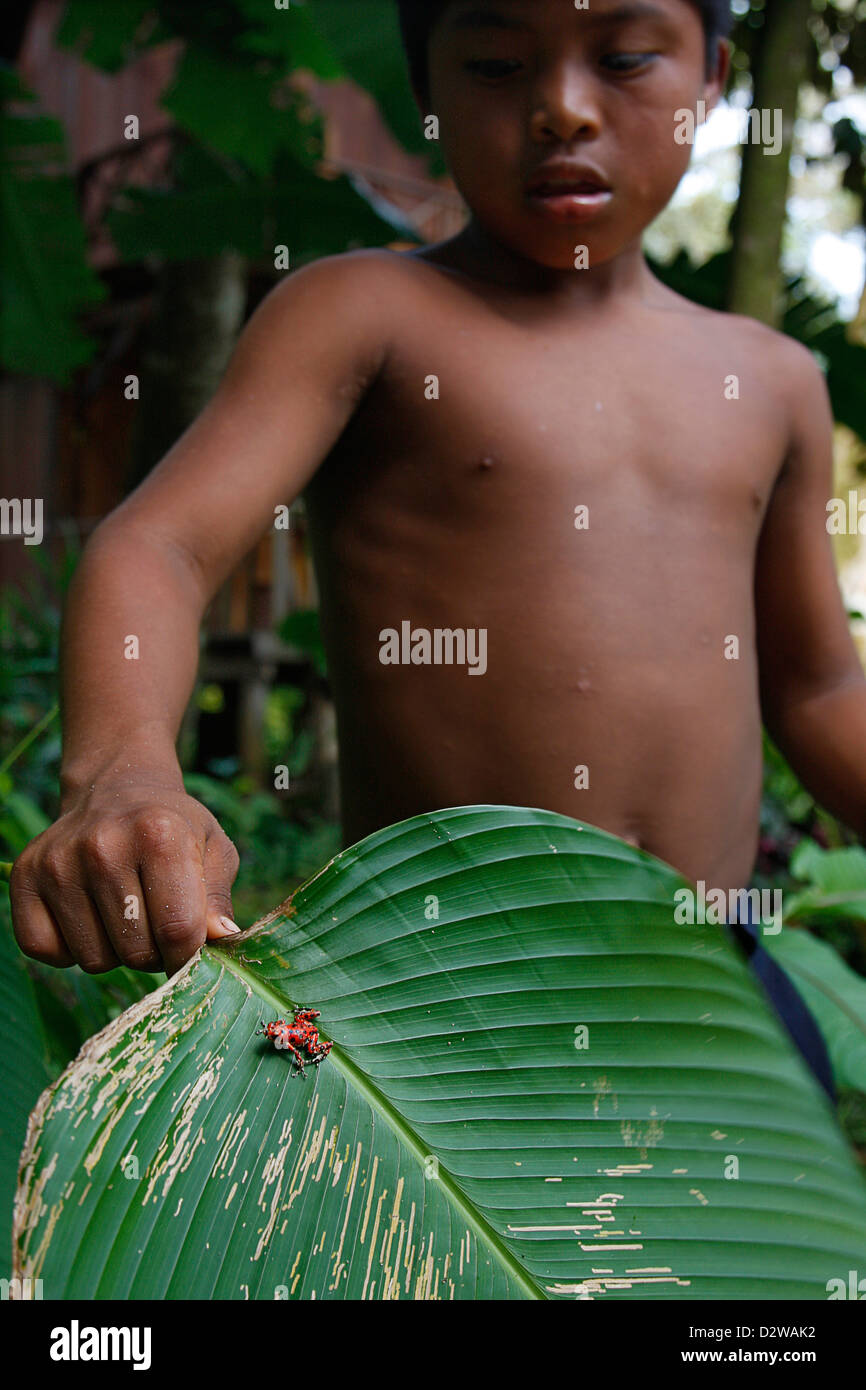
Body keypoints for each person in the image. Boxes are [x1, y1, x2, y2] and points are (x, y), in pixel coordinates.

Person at [12, 0, 862, 1098]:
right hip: (437, 993)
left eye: (623, 58)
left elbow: (815, 682)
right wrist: (120, 772)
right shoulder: (366, 312)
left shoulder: (774, 380)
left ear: (711, 76)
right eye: (499, 63)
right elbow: (160, 544)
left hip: (709, 987)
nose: (559, 107)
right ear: (425, 93)